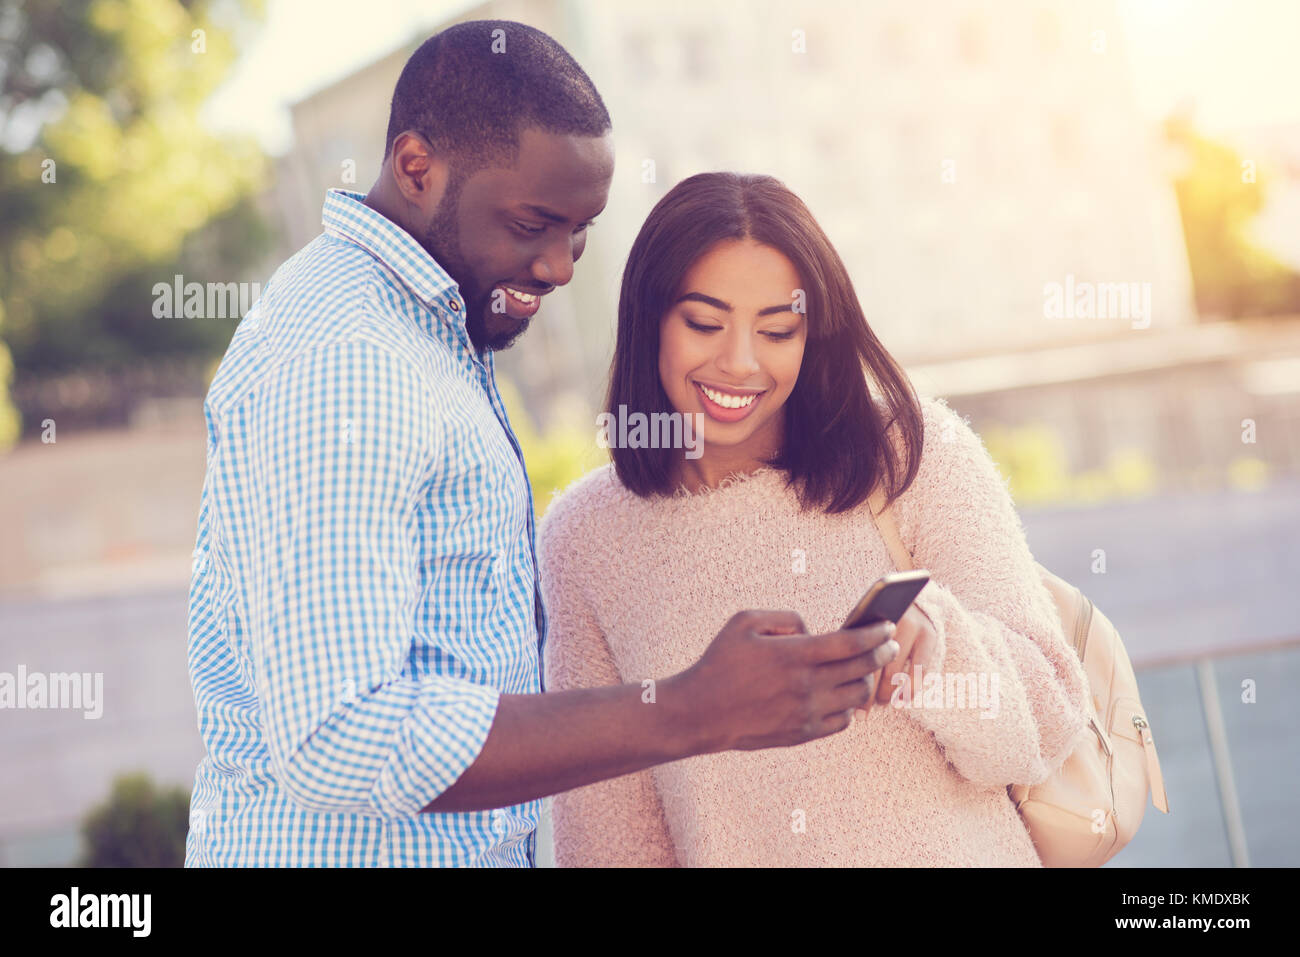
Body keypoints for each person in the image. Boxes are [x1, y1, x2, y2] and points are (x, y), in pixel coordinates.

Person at [184, 22, 896, 868]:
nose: (559, 266)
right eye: (533, 223)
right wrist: (688, 709)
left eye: (581, 231)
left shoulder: (425, 330)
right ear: (417, 169)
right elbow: (336, 732)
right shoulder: (353, 359)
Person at [538, 172, 1094, 866]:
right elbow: (608, 841)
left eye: (777, 330)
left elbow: (1045, 721)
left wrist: (938, 653)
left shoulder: (913, 453)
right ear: (648, 318)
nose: (740, 362)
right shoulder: (586, 538)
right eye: (705, 323)